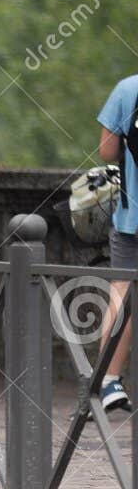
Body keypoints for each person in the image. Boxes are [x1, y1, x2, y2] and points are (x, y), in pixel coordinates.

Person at [95, 72, 138, 412]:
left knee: (120, 294)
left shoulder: (127, 88)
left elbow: (107, 151)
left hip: (131, 219)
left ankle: (108, 382)